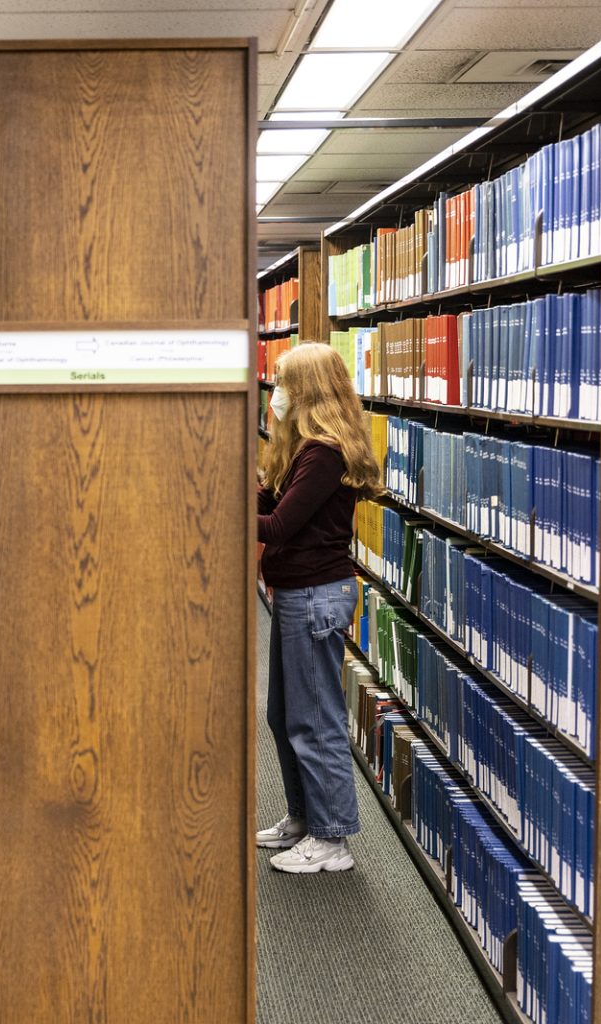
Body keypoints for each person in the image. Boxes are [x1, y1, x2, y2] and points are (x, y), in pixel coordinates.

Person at [254, 343, 382, 874]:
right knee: (284, 715)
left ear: (307, 389)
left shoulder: (325, 453)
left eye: (284, 382)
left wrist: (220, 504)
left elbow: (279, 526)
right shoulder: (303, 448)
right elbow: (271, 504)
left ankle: (332, 840)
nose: (276, 392)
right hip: (298, 593)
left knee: (314, 721)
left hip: (315, 596)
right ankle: (305, 818)